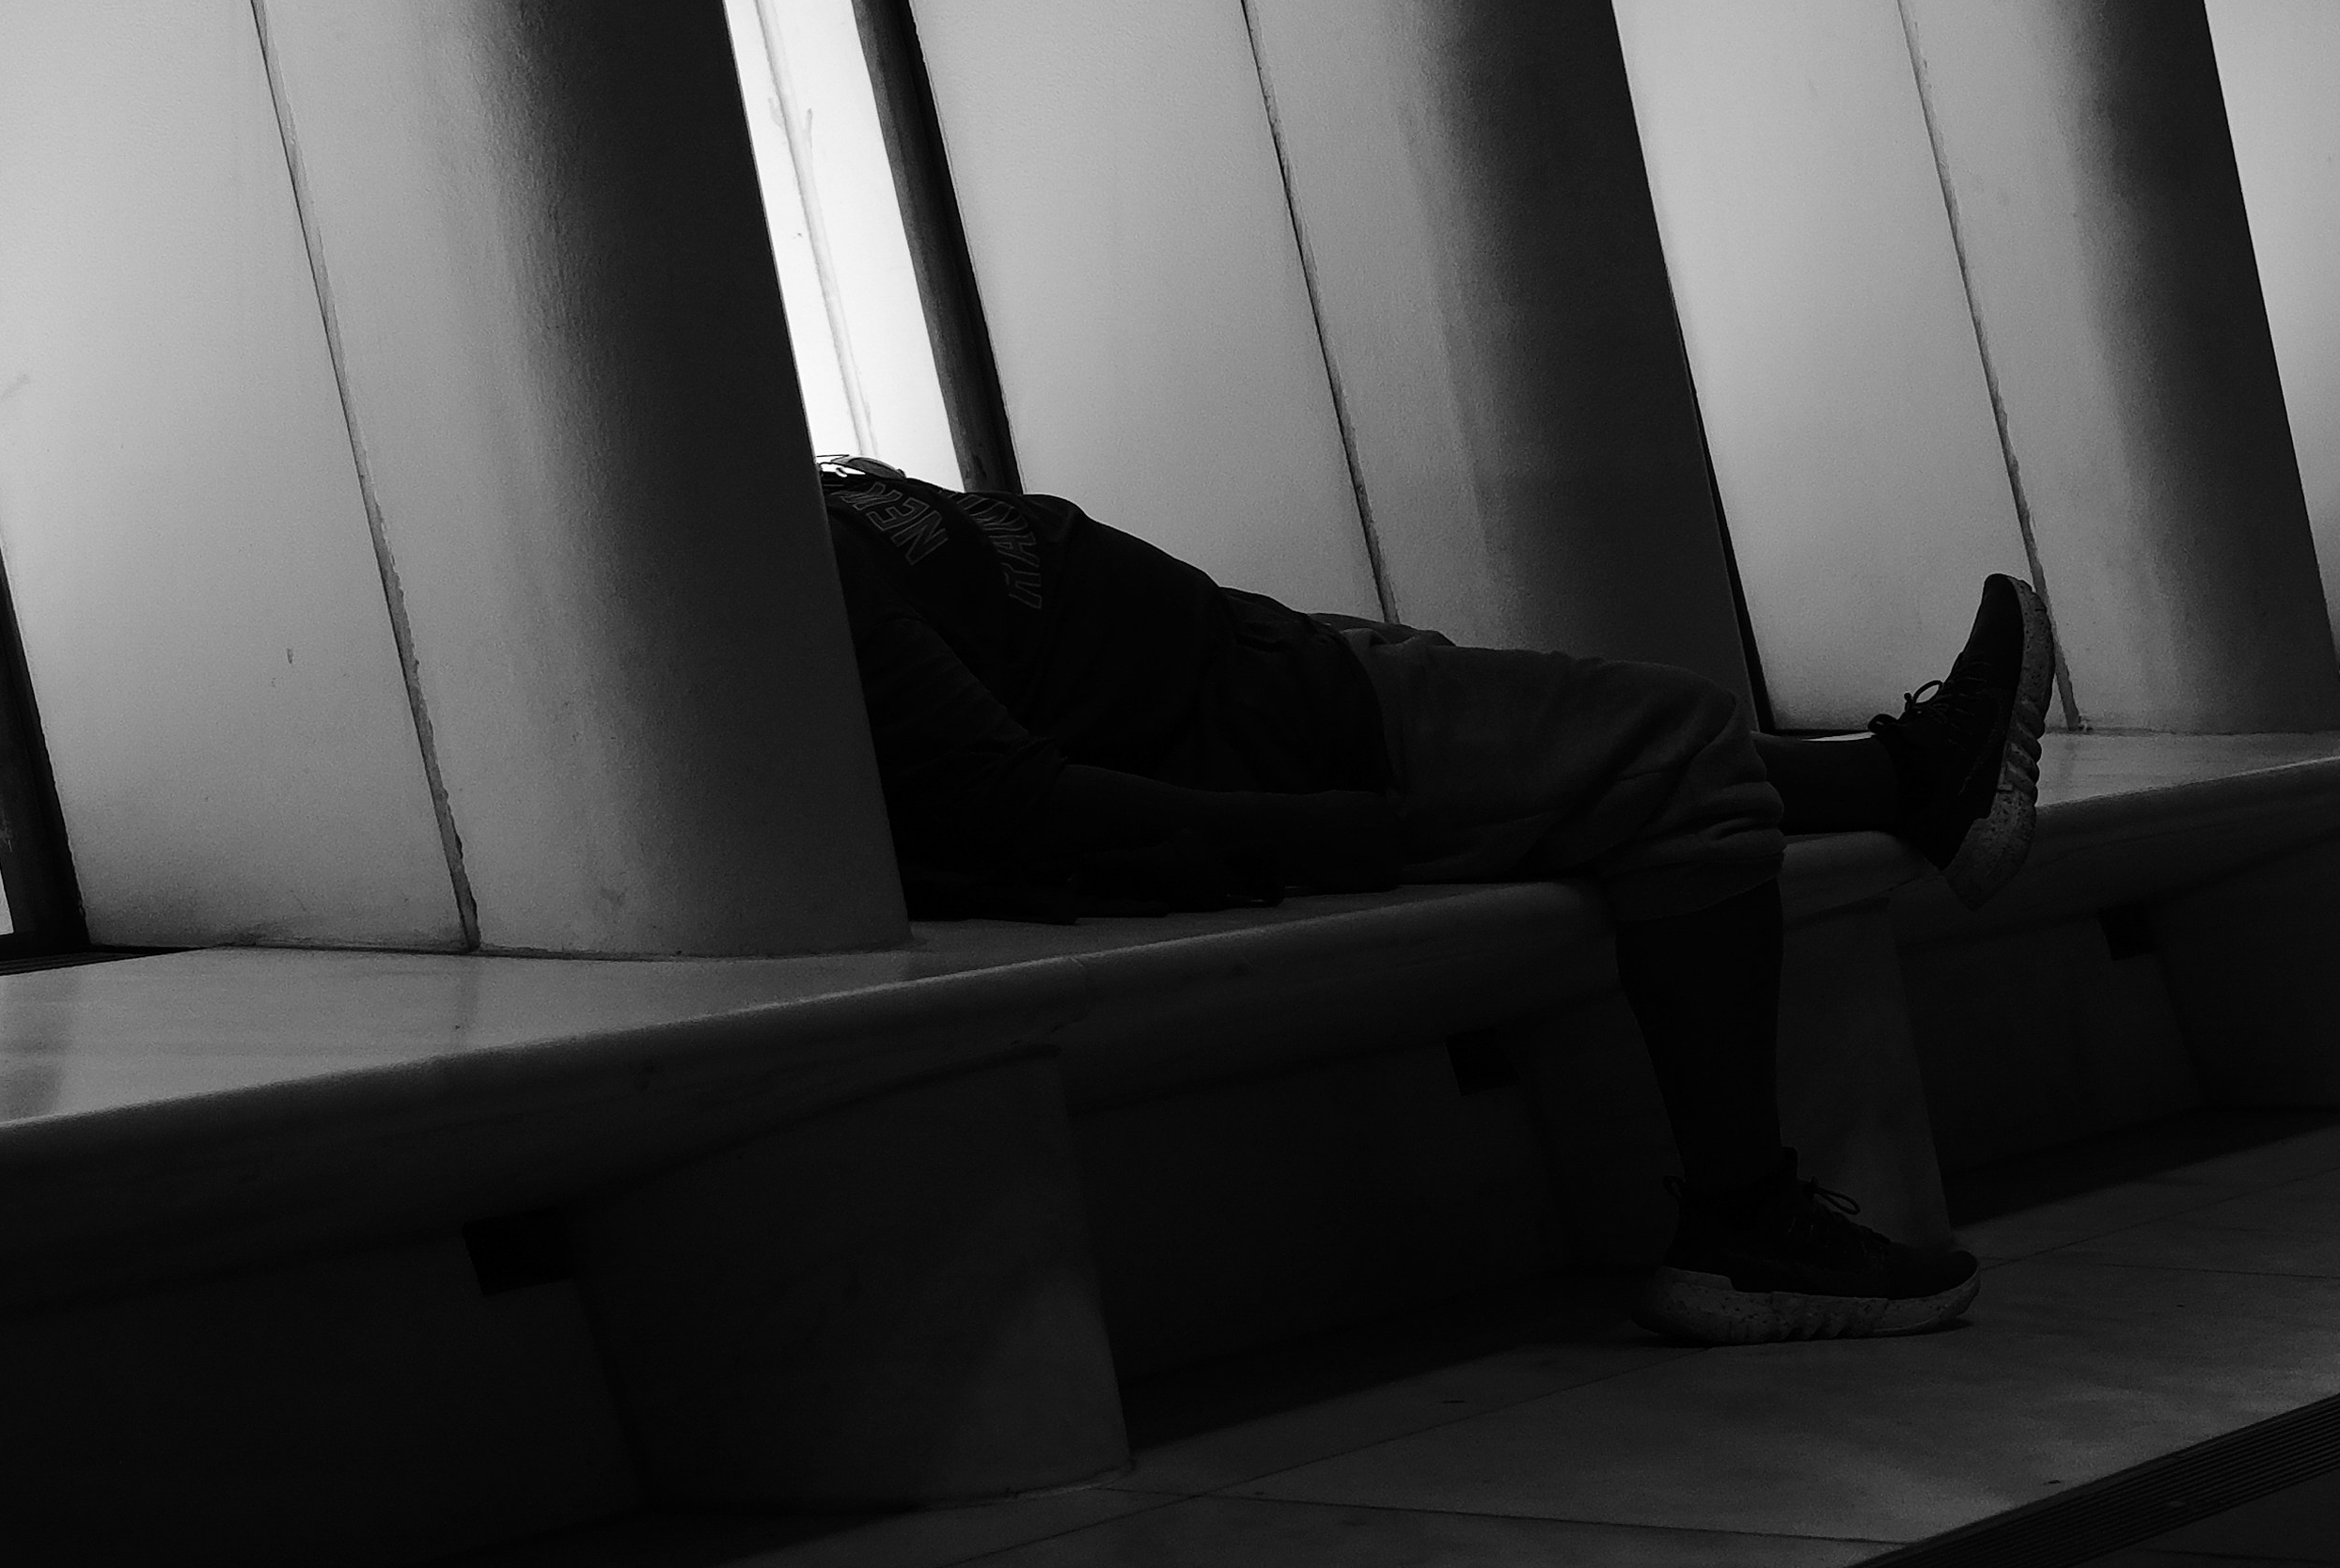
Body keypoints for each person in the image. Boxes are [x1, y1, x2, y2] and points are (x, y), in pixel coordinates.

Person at [814, 457, 2052, 1345]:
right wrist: (1344, 834)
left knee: (1604, 724)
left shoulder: (780, 513)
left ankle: (1914, 779)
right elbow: (1012, 797)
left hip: (1259, 674)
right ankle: (1746, 1225)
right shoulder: (772, 559)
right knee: (1675, 748)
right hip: (1274, 736)